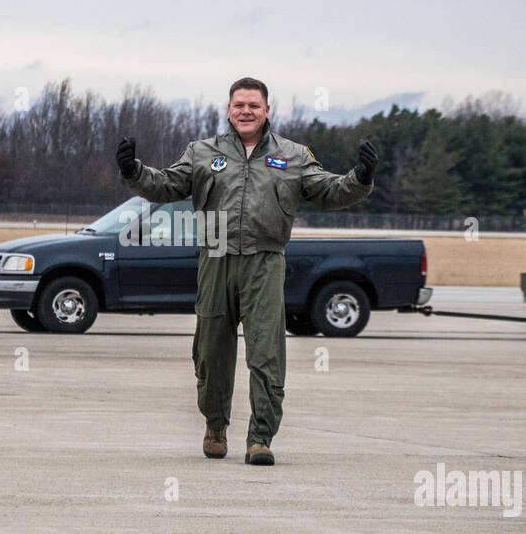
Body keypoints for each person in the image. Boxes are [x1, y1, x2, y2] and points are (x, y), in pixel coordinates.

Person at [116, 77, 376, 465]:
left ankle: (260, 439)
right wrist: (133, 170)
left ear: (267, 110)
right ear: (228, 109)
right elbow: (167, 185)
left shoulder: (292, 155)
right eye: (239, 105)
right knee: (211, 351)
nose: (246, 111)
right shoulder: (203, 152)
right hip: (215, 257)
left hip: (266, 260)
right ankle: (215, 427)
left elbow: (329, 189)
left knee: (266, 352)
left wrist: (361, 178)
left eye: (254, 105)